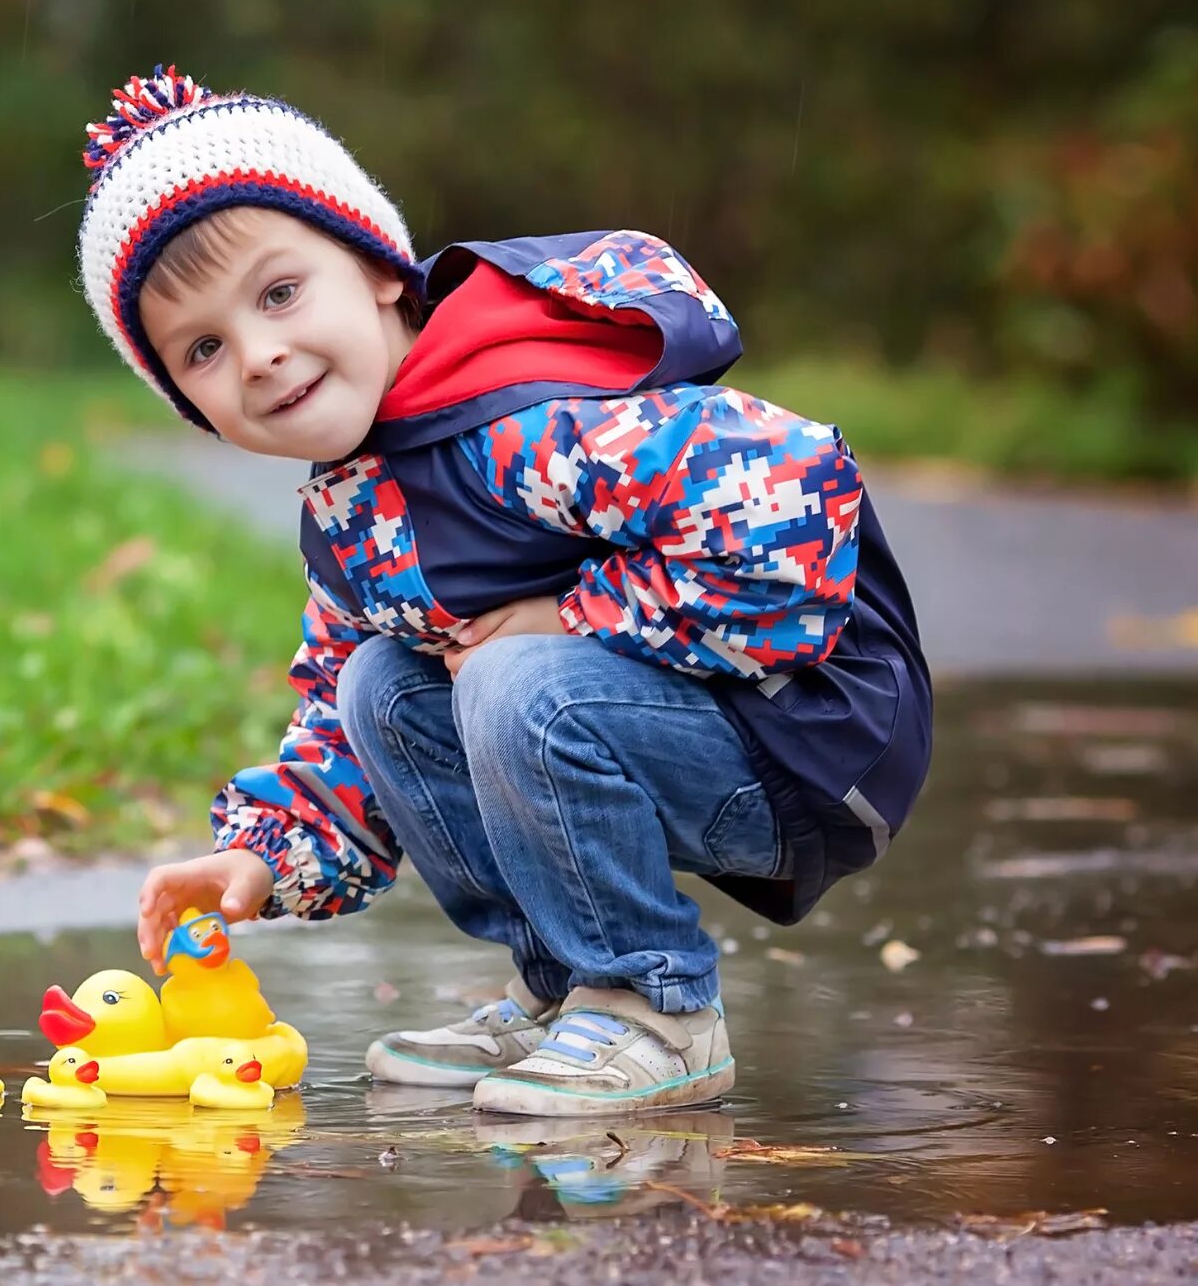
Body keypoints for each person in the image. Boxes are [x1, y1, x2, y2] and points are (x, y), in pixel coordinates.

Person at [77, 68, 931, 1116]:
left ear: (380, 270)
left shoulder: (526, 418)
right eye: (203, 348)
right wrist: (262, 858)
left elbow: (797, 494)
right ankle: (565, 989)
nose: (259, 354)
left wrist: (573, 618)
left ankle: (656, 1006)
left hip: (808, 735)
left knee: (515, 676)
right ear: (189, 402)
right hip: (658, 720)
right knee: (383, 681)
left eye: (281, 291)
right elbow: (344, 719)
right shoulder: (355, 509)